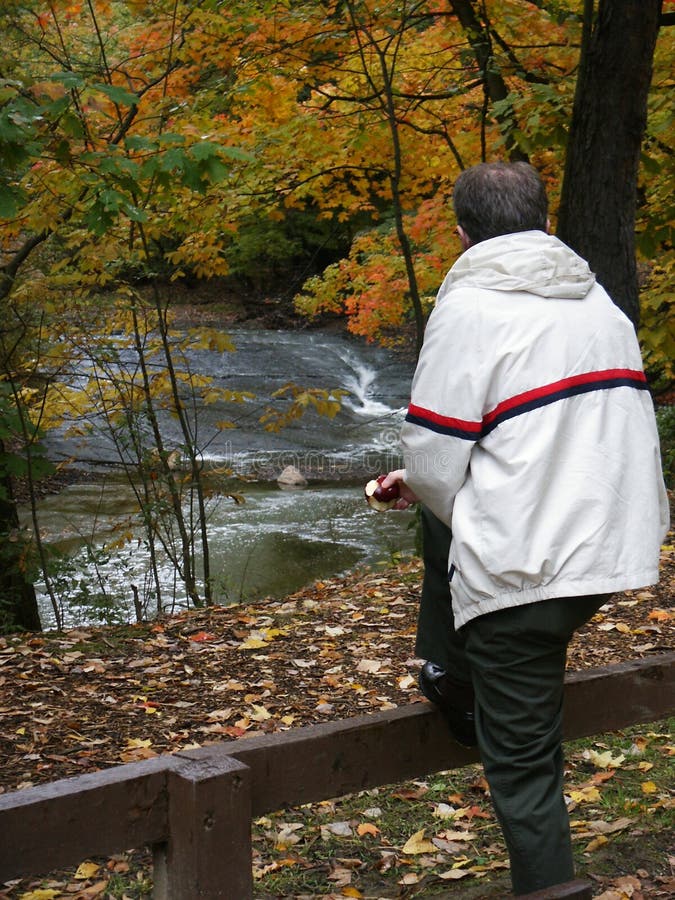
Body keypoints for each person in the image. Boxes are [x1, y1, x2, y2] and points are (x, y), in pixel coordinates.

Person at [382, 161, 669, 896]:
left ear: (460, 235)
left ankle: (459, 687)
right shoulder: (598, 302)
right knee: (448, 531)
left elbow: (434, 458)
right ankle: (456, 679)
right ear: (544, 222)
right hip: (609, 544)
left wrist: (420, 482)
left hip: (529, 570)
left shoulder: (469, 309)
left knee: (523, 769)